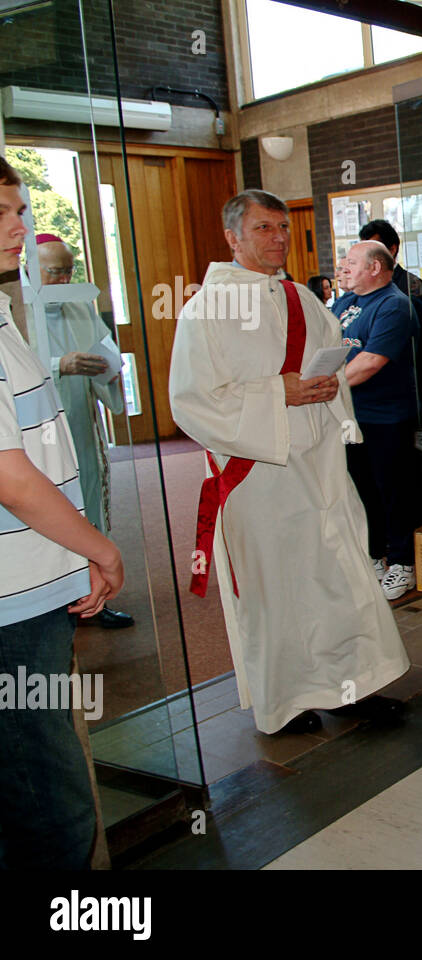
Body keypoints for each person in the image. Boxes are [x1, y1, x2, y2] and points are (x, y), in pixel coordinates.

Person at [169, 190, 409, 736]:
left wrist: (328, 389)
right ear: (232, 237)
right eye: (262, 228)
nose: (277, 238)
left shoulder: (303, 298)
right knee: (277, 591)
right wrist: (278, 392)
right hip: (258, 472)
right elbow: (191, 400)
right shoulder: (207, 307)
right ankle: (288, 700)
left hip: (318, 465)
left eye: (282, 227)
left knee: (335, 579)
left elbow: (331, 368)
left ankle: (348, 686)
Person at [0, 158, 124, 868]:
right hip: (13, 605)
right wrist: (98, 549)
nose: (22, 225)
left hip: (33, 585)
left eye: (22, 211)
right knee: (48, 798)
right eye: (6, 213)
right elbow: (11, 478)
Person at [34, 234, 132, 629]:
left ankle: (94, 593)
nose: (62, 281)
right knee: (50, 506)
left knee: (88, 499)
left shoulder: (77, 304)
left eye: (68, 272)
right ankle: (54, 600)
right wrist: (60, 364)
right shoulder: (19, 309)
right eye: (54, 273)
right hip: (39, 432)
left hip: (79, 422)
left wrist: (108, 366)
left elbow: (103, 346)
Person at [336, 240, 422, 600]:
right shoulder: (345, 303)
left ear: (375, 268)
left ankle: (402, 563)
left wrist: (324, 385)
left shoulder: (395, 305)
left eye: (353, 261)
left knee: (395, 492)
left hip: (388, 418)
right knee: (362, 492)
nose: (344, 265)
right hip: (351, 416)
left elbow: (370, 361)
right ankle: (374, 556)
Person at [358, 219, 422, 413]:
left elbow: (415, 340)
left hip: (404, 383)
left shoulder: (410, 285)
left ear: (392, 249)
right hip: (373, 386)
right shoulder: (364, 288)